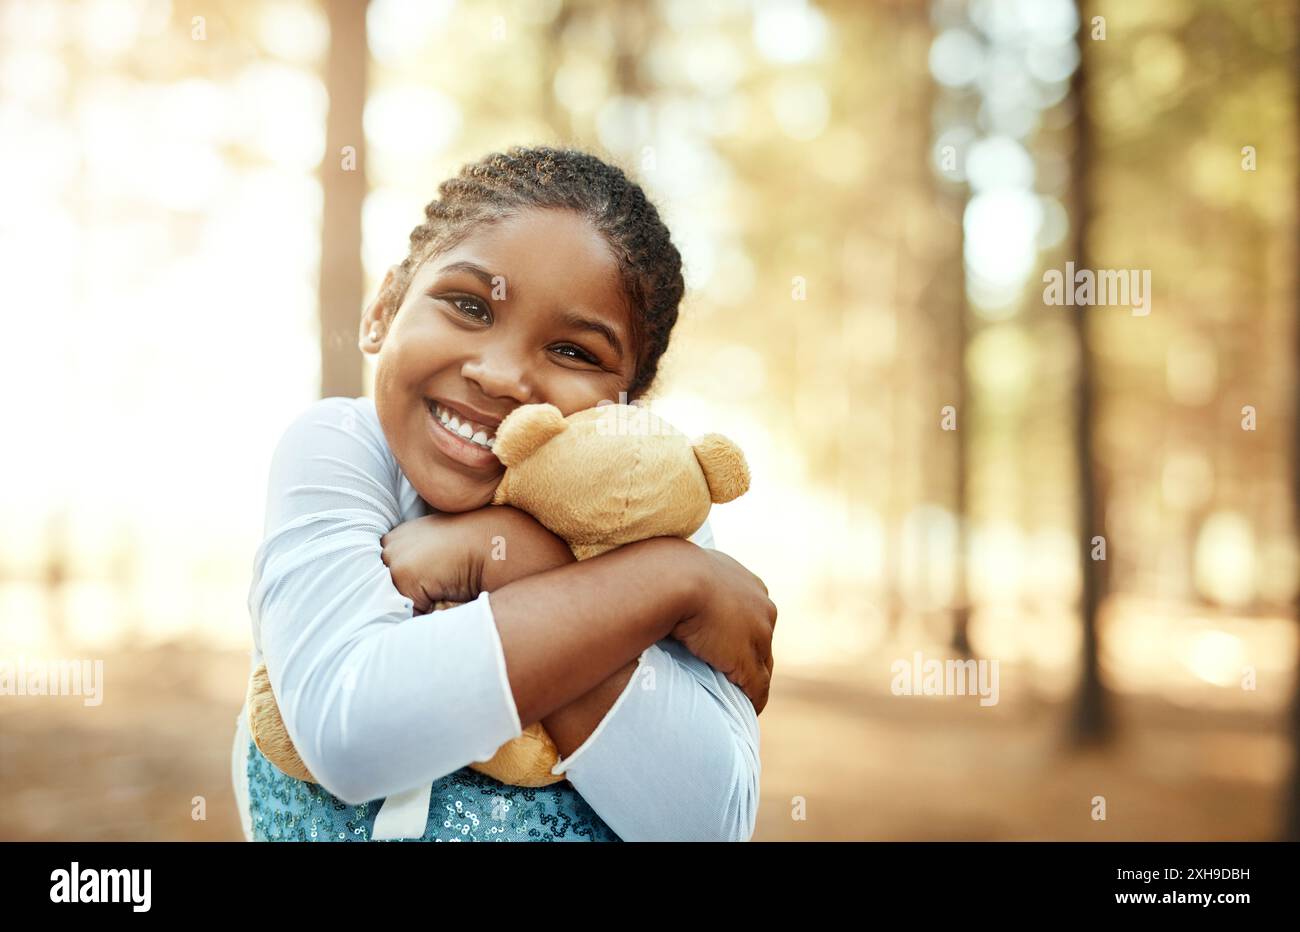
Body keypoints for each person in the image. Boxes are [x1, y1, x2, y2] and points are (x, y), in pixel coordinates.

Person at [230, 146, 777, 841]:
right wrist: (659, 587)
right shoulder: (340, 450)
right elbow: (350, 733)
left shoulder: (656, 523)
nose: (500, 376)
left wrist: (509, 561)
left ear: (627, 405)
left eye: (574, 352)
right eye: (467, 305)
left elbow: (704, 824)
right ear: (384, 309)